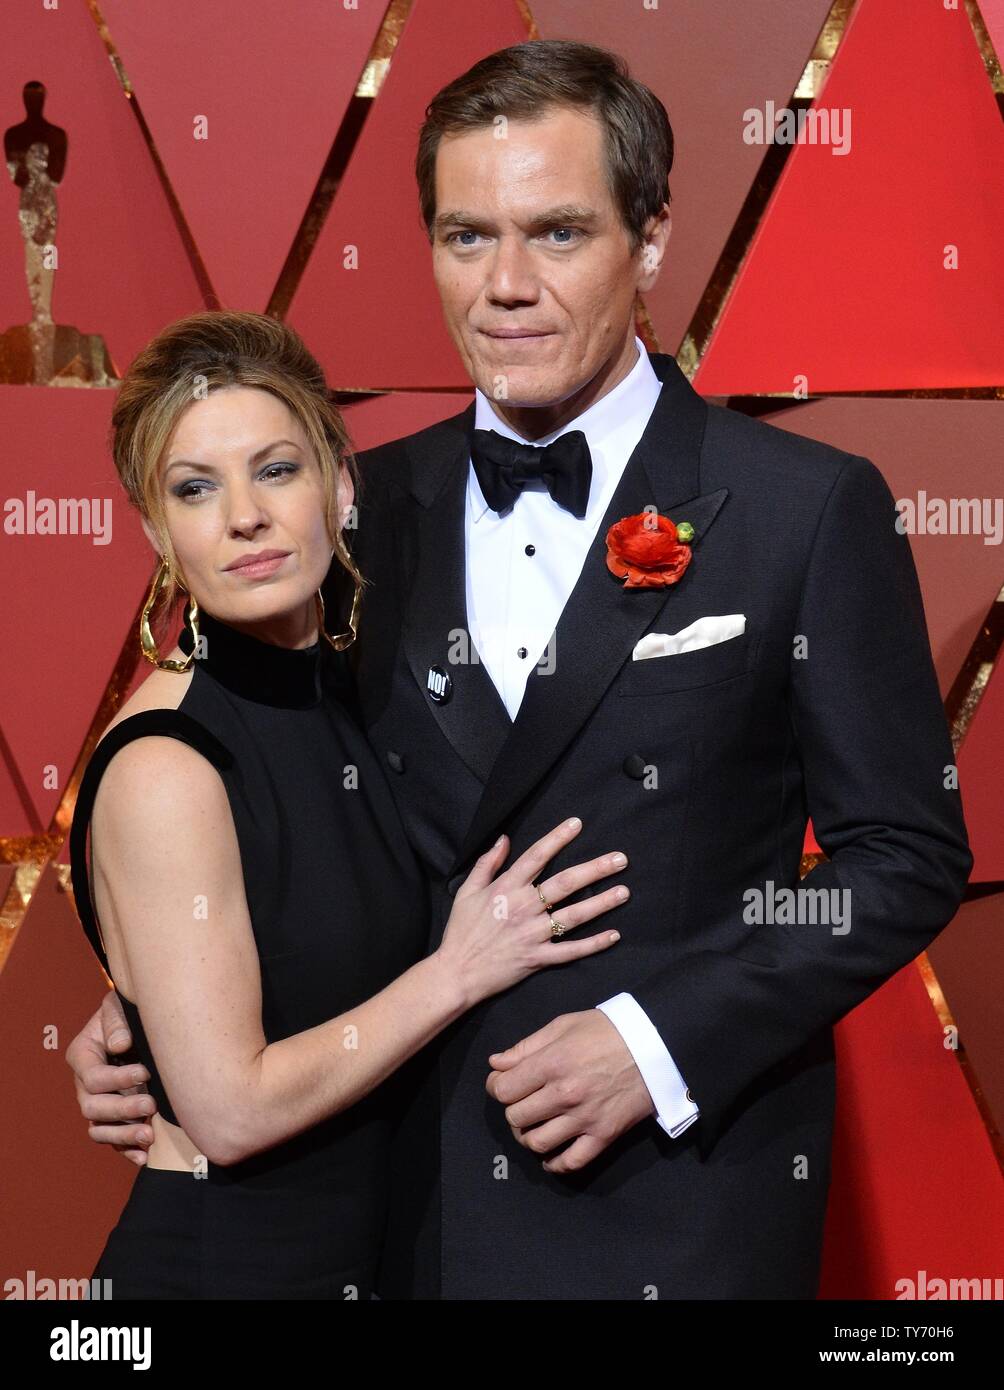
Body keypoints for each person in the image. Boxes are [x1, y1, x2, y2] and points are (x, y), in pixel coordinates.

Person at [69, 41, 973, 1300]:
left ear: (649, 238)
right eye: (463, 236)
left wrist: (655, 1044)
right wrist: (157, 1010)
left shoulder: (802, 510)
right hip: (389, 1214)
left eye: (554, 233)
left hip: (675, 1213)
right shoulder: (351, 514)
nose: (502, 286)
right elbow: (236, 776)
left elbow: (900, 858)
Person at [66, 309, 627, 1299]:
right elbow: (230, 1111)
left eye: (275, 469)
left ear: (337, 483)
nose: (244, 514)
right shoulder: (168, 762)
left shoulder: (352, 697)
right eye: (196, 488)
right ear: (157, 529)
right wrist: (455, 972)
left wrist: (136, 1010)